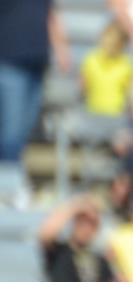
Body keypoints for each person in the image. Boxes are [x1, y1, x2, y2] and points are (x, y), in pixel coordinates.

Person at [0, 0, 65, 166]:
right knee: (11, 132)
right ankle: (9, 180)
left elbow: (50, 15)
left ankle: (11, 178)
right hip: (10, 61)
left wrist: (61, 49)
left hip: (37, 64)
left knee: (23, 129)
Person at [37, 197, 115, 282]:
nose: (86, 229)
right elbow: (46, 234)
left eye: (92, 225)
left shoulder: (99, 257)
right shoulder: (59, 251)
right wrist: (77, 207)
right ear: (74, 223)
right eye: (82, 223)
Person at [79, 21, 133, 119]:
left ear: (121, 44)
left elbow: (129, 91)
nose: (108, 45)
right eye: (106, 40)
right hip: (93, 111)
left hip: (116, 114)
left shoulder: (126, 63)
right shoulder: (91, 59)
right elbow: (83, 86)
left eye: (113, 43)